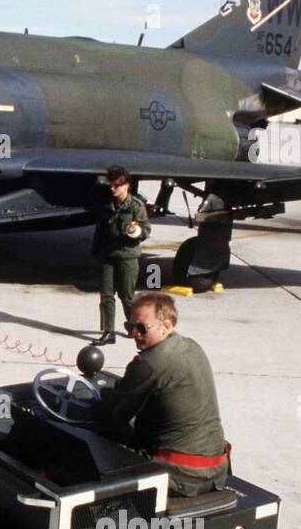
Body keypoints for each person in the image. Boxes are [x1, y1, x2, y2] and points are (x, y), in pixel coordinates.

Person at [96, 291, 229, 496]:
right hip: (216, 471)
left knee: (99, 441)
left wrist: (97, 400)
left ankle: (111, 506)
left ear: (166, 326)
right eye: (129, 326)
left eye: (141, 328)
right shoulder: (192, 346)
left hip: (180, 476)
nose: (134, 334)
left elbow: (112, 415)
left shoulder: (150, 363)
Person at [90, 165, 150, 345]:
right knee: (106, 296)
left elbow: (146, 229)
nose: (112, 188)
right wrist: (95, 250)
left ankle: (134, 326)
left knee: (127, 297)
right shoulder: (107, 205)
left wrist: (136, 231)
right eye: (111, 185)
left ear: (126, 186)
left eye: (116, 185)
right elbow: (100, 230)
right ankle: (108, 332)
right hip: (107, 255)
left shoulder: (136, 206)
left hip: (127, 257)